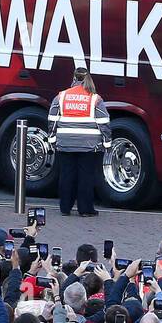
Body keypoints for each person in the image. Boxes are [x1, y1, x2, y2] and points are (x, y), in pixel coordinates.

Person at [46, 66, 112, 217]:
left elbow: (52, 120)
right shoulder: (95, 98)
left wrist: (52, 139)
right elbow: (104, 122)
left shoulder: (61, 96)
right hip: (89, 145)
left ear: (74, 78)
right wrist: (107, 142)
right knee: (86, 177)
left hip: (65, 143)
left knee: (66, 175)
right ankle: (85, 209)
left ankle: (65, 208)